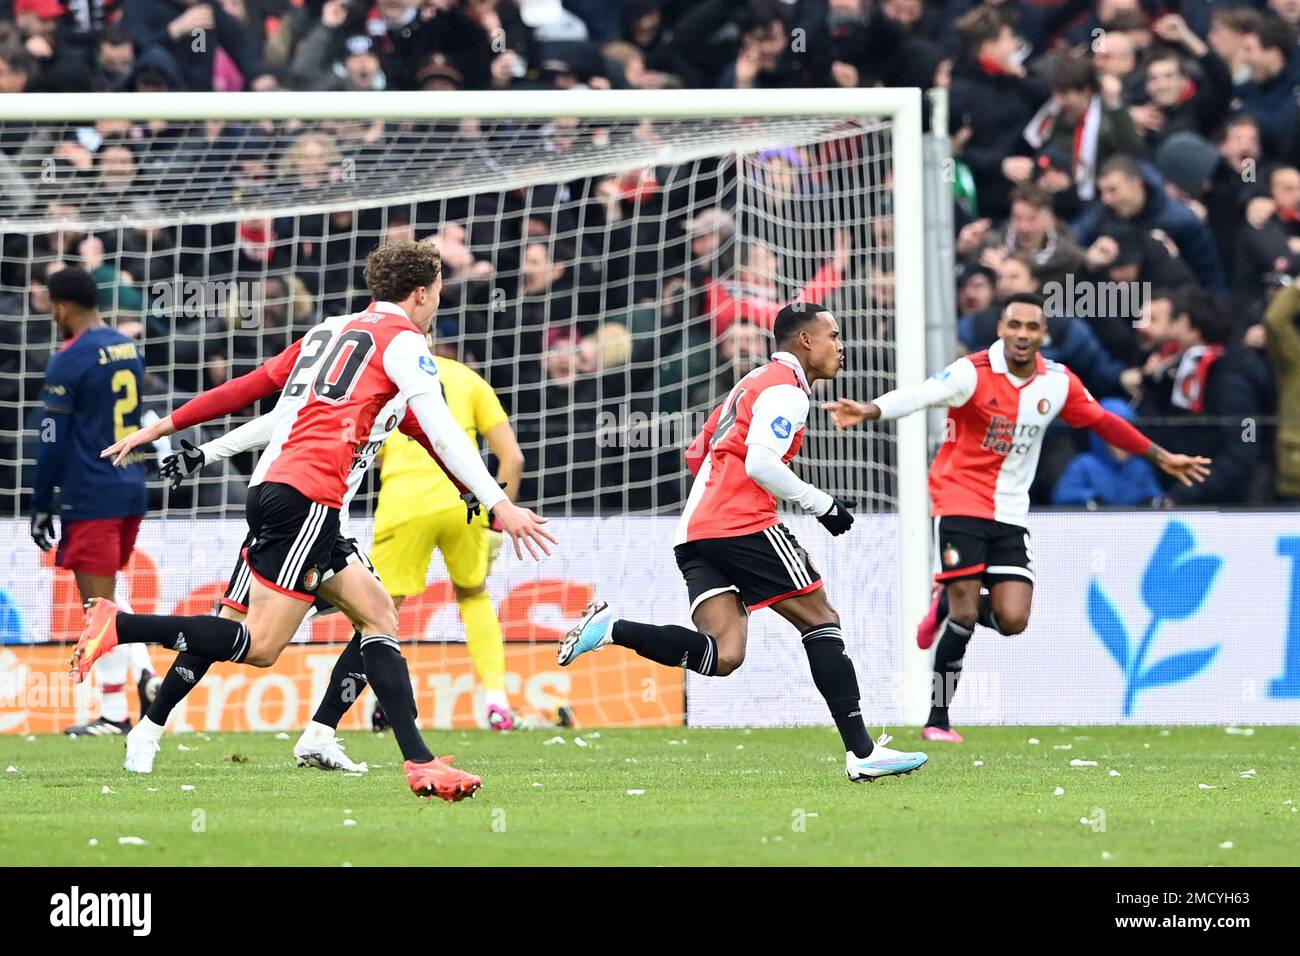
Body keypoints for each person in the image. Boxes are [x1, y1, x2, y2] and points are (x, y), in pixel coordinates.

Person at [74, 241, 556, 800]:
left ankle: (380, 751)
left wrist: (176, 431)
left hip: (286, 494)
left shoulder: (331, 330)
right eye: (439, 292)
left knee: (378, 612)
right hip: (308, 500)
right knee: (258, 645)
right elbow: (446, 429)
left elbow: (256, 391)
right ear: (422, 292)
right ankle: (121, 628)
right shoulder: (404, 343)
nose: (438, 304)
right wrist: (500, 501)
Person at [558, 303, 929, 782]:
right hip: (741, 524)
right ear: (805, 342)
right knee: (821, 620)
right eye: (833, 335)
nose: (841, 346)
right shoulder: (788, 393)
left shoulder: (749, 383)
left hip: (694, 532)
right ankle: (861, 753)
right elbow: (759, 464)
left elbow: (700, 451)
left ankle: (612, 630)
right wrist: (823, 505)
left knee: (724, 654)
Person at [823, 293, 1212, 742]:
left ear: (1043, 335)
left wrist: (1163, 458)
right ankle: (938, 719)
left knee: (1012, 619)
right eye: (1015, 326)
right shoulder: (972, 372)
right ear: (1001, 330)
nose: (1023, 335)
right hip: (959, 500)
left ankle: (946, 600)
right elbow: (921, 395)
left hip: (1010, 511)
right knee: (967, 616)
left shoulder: (1058, 382)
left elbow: (1103, 421)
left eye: (1032, 328)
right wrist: (870, 409)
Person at [370, 349, 526, 730]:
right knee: (473, 595)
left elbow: (371, 450)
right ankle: (497, 702)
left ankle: (384, 705)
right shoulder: (468, 379)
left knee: (380, 610)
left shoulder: (385, 382)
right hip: (465, 500)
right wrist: (497, 517)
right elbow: (513, 458)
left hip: (403, 503)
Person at [31, 267, 156, 736]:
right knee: (106, 595)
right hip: (130, 487)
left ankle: (113, 713)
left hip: (91, 490)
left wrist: (42, 501)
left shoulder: (69, 359)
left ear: (62, 307)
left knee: (96, 607)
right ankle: (145, 673)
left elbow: (51, 439)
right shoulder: (128, 348)